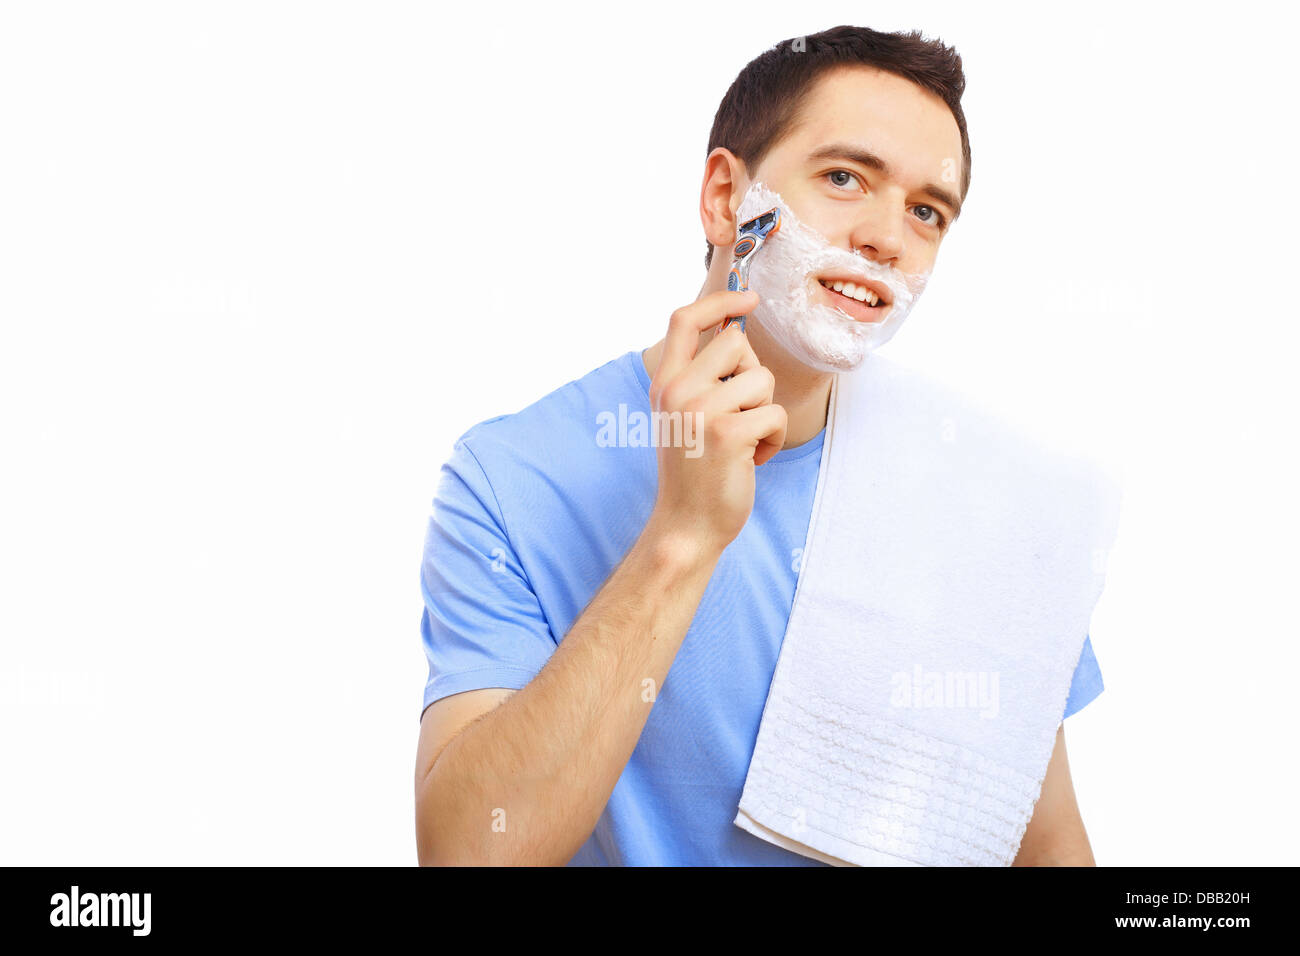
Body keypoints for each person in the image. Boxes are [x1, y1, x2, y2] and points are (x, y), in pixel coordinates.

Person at [414, 25, 1102, 866]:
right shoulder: (512, 479)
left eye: (927, 211)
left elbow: (1048, 843)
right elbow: (470, 853)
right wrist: (682, 537)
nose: (888, 236)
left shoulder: (984, 500)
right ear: (724, 200)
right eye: (844, 177)